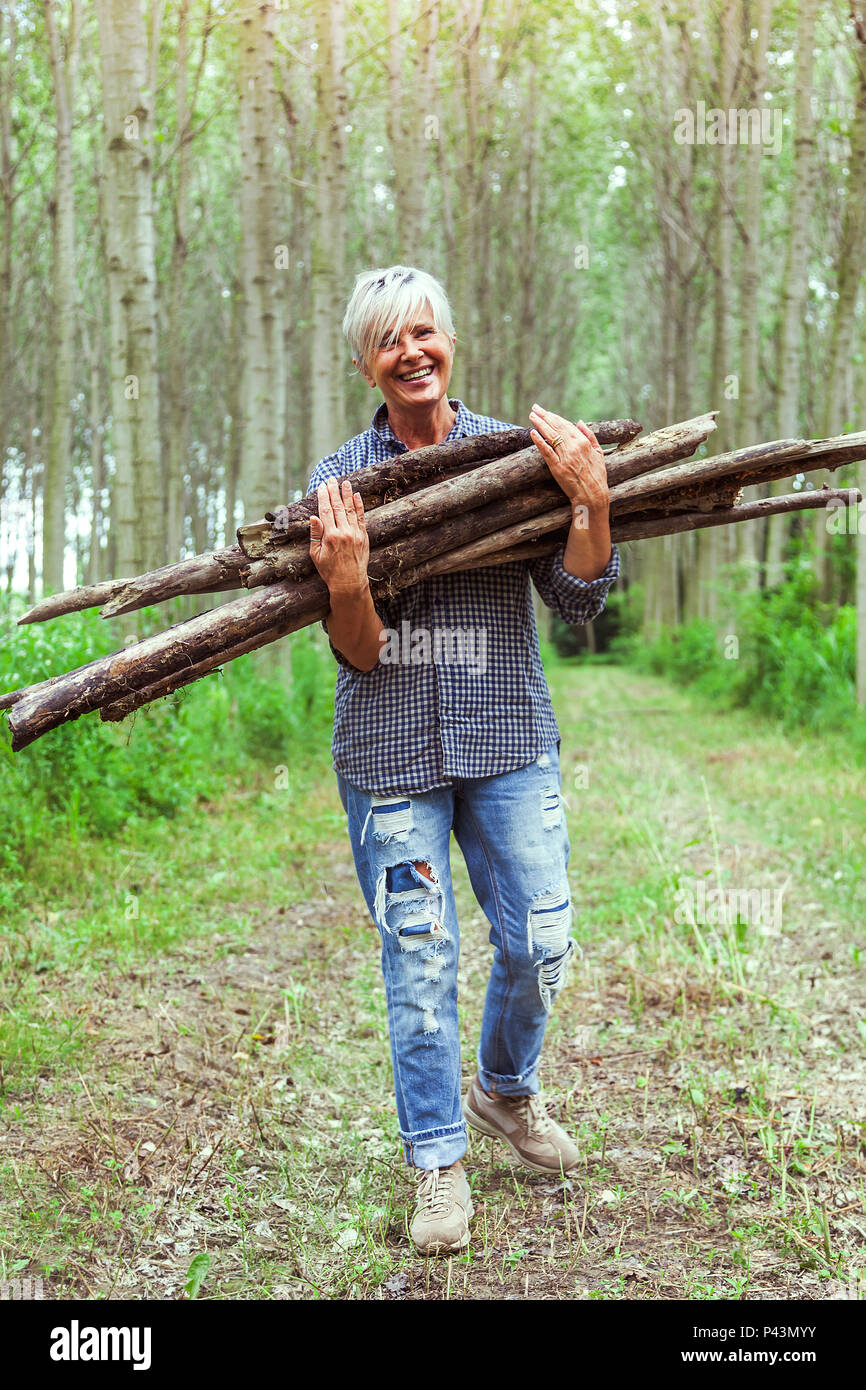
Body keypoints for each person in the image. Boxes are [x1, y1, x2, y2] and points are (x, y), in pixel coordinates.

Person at [305, 265, 620, 1255]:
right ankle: (436, 1160)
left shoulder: (511, 456)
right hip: (388, 751)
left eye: (424, 332)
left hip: (506, 739)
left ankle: (503, 1091)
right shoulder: (336, 484)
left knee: (540, 937)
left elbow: (576, 601)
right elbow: (358, 651)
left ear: (449, 344)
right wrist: (349, 579)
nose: (411, 352)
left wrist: (590, 503)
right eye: (389, 339)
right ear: (365, 361)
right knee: (418, 955)